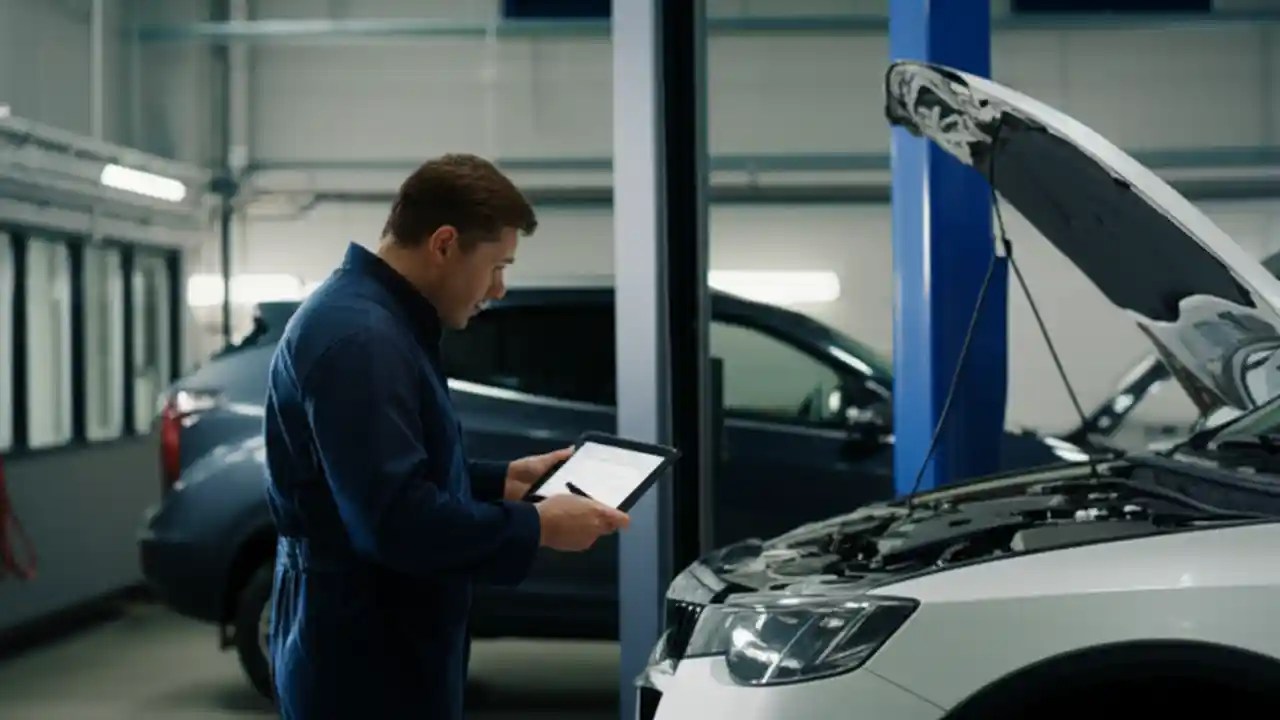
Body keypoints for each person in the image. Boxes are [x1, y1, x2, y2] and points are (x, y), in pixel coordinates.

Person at [262, 153, 631, 719]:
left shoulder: (381, 320)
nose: (500, 288)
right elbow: (394, 521)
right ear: (443, 243)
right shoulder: (361, 338)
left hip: (377, 637)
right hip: (364, 659)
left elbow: (387, 472)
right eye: (497, 265)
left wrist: (501, 482)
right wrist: (537, 526)